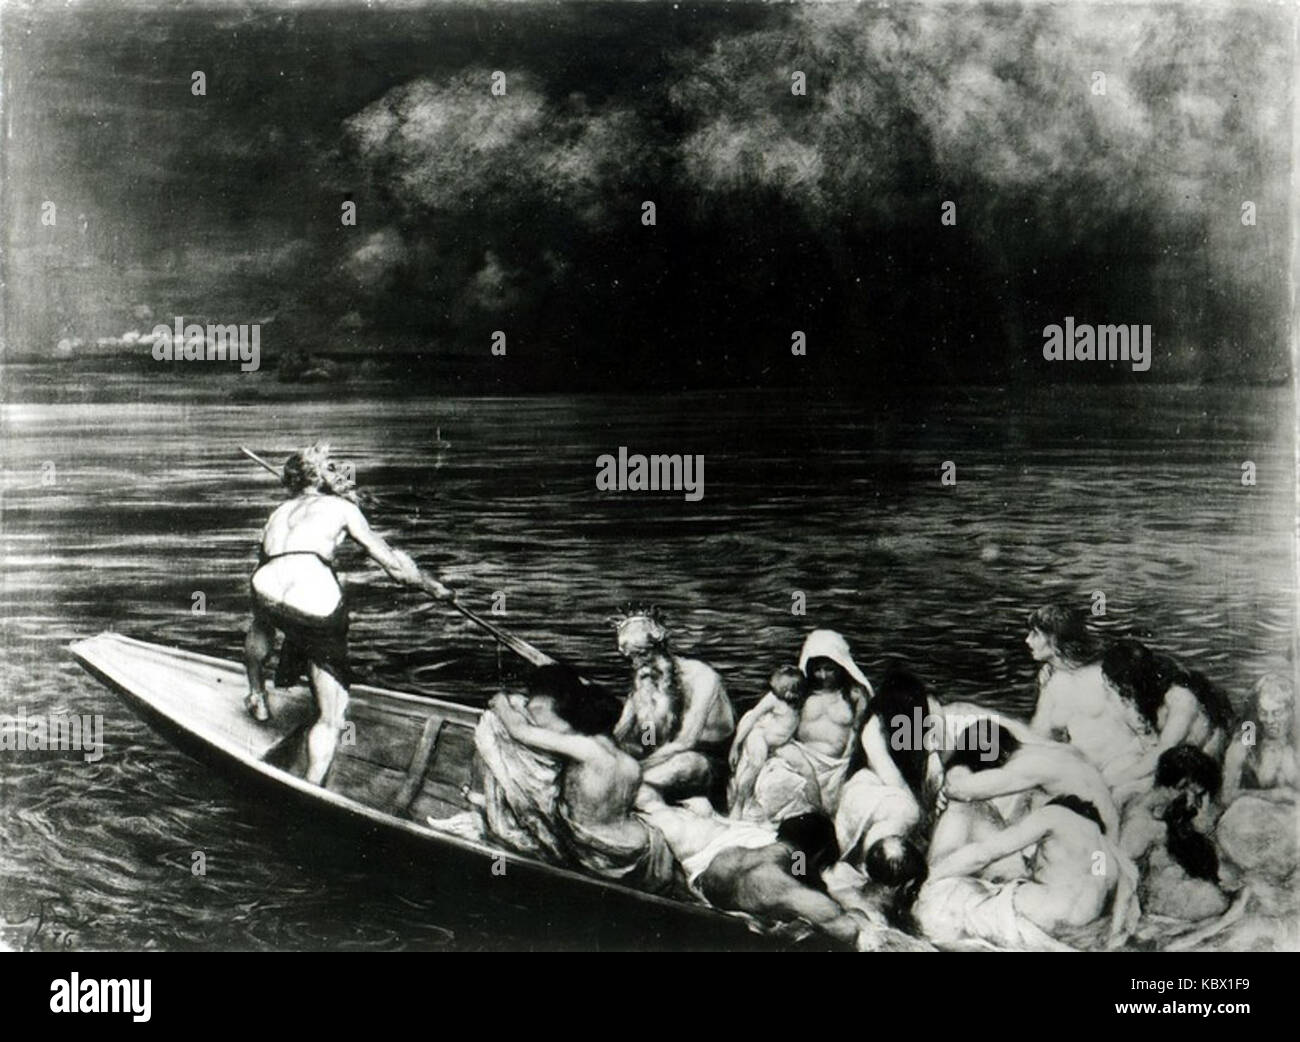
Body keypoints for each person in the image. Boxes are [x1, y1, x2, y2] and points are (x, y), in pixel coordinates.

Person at [243, 442, 453, 785]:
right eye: (334, 468)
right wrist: (434, 587)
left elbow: (265, 559)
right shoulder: (342, 508)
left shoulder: (278, 514)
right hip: (314, 600)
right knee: (332, 716)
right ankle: (310, 788)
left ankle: (256, 694)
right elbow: (397, 570)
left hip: (265, 585)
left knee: (262, 620)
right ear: (324, 477)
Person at [489, 664, 676, 892]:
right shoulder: (631, 765)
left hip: (595, 850)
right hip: (637, 845)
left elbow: (521, 732)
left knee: (514, 785)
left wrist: (501, 702)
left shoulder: (586, 748)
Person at [638, 794, 878, 949]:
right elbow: (849, 932)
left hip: (717, 887)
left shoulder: (740, 851)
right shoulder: (790, 890)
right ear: (814, 856)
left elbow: (795, 864)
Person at [917, 795, 1139, 951]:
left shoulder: (1055, 815)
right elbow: (1109, 891)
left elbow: (985, 854)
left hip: (1038, 912)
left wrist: (932, 877)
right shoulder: (1103, 852)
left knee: (947, 897)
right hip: (1075, 929)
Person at [611, 608, 735, 806]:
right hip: (659, 756)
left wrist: (637, 768)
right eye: (630, 658)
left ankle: (630, 792)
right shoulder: (645, 679)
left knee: (684, 763)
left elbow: (687, 741)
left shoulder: (702, 676)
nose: (636, 664)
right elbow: (624, 730)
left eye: (642, 655)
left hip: (708, 761)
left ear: (660, 647)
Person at [1102, 640, 1233, 805]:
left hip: (1197, 772)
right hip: (1173, 763)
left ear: (1130, 682)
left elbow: (1164, 751)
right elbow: (1151, 744)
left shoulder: (1181, 698)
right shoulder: (1148, 696)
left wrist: (1114, 780)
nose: (1118, 692)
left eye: (1118, 686)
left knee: (1121, 793)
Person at [1119, 745, 1239, 923]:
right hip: (1160, 898)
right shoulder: (1144, 823)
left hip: (1170, 886)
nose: (1196, 804)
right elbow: (1125, 871)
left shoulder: (1156, 805)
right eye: (1197, 794)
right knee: (1220, 899)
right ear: (1183, 786)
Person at [941, 722, 1121, 837]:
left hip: (1100, 844)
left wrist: (951, 773)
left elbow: (961, 791)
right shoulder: (1046, 750)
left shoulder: (1027, 766)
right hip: (1106, 828)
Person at [727, 666, 807, 817]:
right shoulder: (773, 698)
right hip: (761, 736)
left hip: (782, 743)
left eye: (794, 690)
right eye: (784, 689)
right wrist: (735, 745)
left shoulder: (799, 701)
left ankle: (817, 807)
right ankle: (739, 803)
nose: (789, 694)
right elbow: (752, 717)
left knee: (806, 767)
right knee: (756, 763)